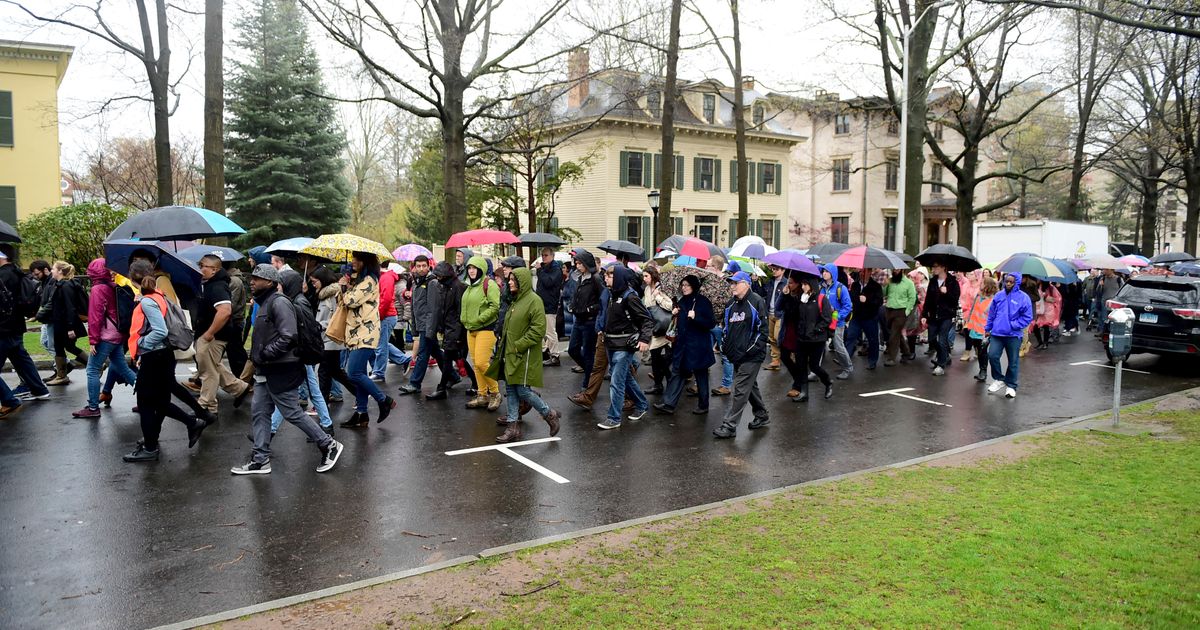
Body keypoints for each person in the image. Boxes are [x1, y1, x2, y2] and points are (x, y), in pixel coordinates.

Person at [232, 264, 344, 474]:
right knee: (259, 412)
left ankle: (328, 444)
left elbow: (288, 336)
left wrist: (266, 354)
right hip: (266, 370)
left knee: (291, 412)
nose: (252, 281)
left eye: (257, 278)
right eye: (252, 278)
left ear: (271, 282)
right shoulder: (265, 302)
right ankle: (260, 459)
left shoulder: (279, 302)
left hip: (281, 368)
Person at [122, 260, 207, 463]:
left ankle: (155, 446)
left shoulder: (148, 301)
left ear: (134, 278)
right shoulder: (157, 295)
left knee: (146, 402)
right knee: (157, 401)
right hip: (161, 356)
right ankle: (162, 436)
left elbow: (160, 330)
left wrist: (143, 344)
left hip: (155, 356)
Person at [487, 265, 561, 443]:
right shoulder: (516, 300)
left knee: (521, 390)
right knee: (511, 388)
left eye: (513, 280)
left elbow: (538, 330)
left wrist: (518, 346)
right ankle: (512, 428)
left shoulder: (534, 301)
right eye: (509, 280)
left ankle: (549, 414)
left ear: (523, 282)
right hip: (510, 353)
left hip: (524, 354)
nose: (509, 282)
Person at [268, 270, 334, 438]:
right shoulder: (296, 301)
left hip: (301, 354)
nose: (278, 287)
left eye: (281, 283)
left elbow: (303, 330)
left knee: (296, 393)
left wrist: (298, 351)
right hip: (301, 353)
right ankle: (271, 430)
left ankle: (326, 426)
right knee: (295, 393)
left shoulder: (297, 303)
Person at [72, 259, 138, 418]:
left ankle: (93, 408)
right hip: (118, 334)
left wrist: (93, 340)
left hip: (105, 336)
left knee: (92, 370)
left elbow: (95, 317)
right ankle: (149, 397)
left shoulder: (98, 289)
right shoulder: (114, 286)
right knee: (123, 368)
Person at [338, 253, 397, 427]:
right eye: (353, 259)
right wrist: (348, 284)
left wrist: (344, 287)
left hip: (365, 333)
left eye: (357, 259)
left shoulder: (369, 281)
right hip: (356, 332)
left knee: (353, 373)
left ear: (366, 262)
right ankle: (362, 414)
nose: (353, 262)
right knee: (360, 373)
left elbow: (350, 300)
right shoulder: (359, 281)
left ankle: (384, 399)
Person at [713, 271, 770, 438]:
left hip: (752, 355)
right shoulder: (730, 304)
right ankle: (762, 414)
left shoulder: (757, 301)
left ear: (745, 283)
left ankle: (729, 426)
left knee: (740, 389)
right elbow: (726, 328)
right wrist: (725, 346)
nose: (732, 286)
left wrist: (749, 350)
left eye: (735, 283)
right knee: (750, 386)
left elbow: (762, 331)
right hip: (735, 354)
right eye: (730, 283)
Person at [596, 264, 653, 430]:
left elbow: (646, 320)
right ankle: (642, 404)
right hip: (610, 343)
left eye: (609, 276)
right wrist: (601, 329)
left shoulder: (630, 297)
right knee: (624, 377)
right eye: (605, 275)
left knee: (616, 381)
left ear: (618, 278)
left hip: (624, 345)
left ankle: (614, 418)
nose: (605, 278)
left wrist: (644, 339)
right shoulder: (612, 294)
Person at [193, 254, 251, 415]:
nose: (200, 268)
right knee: (213, 366)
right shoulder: (211, 284)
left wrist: (209, 333)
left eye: (203, 265)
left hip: (213, 336)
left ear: (214, 270)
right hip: (211, 334)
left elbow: (225, 311)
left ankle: (206, 406)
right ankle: (239, 388)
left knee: (207, 371)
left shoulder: (217, 286)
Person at [653, 274, 716, 416]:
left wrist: (696, 317)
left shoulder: (703, 302)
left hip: (698, 346)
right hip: (682, 346)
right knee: (677, 372)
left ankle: (703, 405)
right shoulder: (682, 301)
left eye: (687, 285)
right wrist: (675, 314)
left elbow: (710, 323)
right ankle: (669, 404)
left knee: (700, 375)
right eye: (683, 285)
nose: (684, 287)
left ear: (694, 286)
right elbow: (679, 325)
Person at [0, 250, 49, 402]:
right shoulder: (17, 272)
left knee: (20, 357)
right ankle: (39, 389)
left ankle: (9, 401)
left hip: (3, 326)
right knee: (21, 358)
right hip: (16, 324)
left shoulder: (2, 276)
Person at [399, 255, 451, 396]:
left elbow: (433, 308)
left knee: (423, 354)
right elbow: (416, 306)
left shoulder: (431, 282)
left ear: (428, 266)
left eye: (424, 265)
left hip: (428, 325)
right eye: (418, 266)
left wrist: (429, 329)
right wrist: (415, 325)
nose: (421, 268)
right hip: (421, 324)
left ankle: (415, 383)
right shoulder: (416, 281)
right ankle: (453, 376)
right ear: (414, 267)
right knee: (436, 352)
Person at [782, 273, 835, 401]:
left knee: (814, 366)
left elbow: (827, 318)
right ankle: (804, 393)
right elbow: (792, 312)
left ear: (812, 285)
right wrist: (786, 295)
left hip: (817, 340)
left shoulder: (822, 299)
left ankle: (828, 382)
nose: (803, 286)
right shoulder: (801, 298)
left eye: (806, 284)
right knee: (801, 366)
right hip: (802, 339)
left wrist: (815, 329)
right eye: (803, 284)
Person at [309, 266, 357, 405]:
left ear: (322, 280)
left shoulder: (333, 295)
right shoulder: (321, 294)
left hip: (330, 338)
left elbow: (337, 317)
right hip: (325, 338)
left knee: (324, 373)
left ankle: (322, 405)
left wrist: (321, 325)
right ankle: (361, 393)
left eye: (314, 281)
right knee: (335, 371)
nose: (313, 284)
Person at [461, 254, 501, 411]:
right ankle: (482, 395)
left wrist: (479, 319)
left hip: (486, 329)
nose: (471, 271)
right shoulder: (469, 286)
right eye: (469, 268)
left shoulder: (489, 284)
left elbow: (495, 307)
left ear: (481, 269)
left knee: (481, 363)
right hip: (470, 329)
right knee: (476, 364)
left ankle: (495, 392)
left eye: (474, 268)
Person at [985, 272, 1034, 399]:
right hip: (997, 333)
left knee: (1013, 361)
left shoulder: (1023, 298)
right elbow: (991, 313)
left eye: (1011, 282)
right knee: (992, 355)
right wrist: (988, 328)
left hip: (1013, 335)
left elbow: (1028, 316)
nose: (1008, 283)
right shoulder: (999, 295)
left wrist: (1013, 325)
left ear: (1016, 282)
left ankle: (1011, 386)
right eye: (1007, 281)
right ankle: (999, 379)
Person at [41, 261, 89, 386]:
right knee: (63, 347)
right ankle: (61, 375)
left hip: (65, 324)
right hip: (60, 323)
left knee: (66, 347)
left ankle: (63, 375)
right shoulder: (60, 284)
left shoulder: (66, 286)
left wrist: (70, 327)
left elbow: (70, 307)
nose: (51, 271)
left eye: (53, 269)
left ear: (60, 271)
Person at [426, 262, 468, 400]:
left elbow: (459, 311)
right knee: (455, 358)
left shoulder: (457, 287)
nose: (437, 278)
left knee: (448, 358)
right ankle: (475, 383)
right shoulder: (447, 286)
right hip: (449, 327)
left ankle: (442, 388)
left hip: (454, 329)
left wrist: (458, 334)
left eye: (439, 275)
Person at [567, 249, 602, 392]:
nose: (577, 265)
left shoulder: (596, 278)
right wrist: (572, 305)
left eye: (580, 262)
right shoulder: (580, 277)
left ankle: (588, 383)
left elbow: (603, 300)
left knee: (588, 354)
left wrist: (590, 309)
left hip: (589, 321)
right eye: (576, 262)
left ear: (587, 263)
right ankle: (590, 370)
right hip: (579, 320)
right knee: (572, 350)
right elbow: (577, 295)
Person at [921, 262, 961, 376]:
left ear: (943, 267)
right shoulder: (933, 281)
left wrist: (946, 292)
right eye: (932, 267)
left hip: (946, 316)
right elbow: (928, 299)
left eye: (936, 267)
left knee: (942, 340)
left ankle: (941, 365)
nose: (933, 269)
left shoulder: (953, 282)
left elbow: (955, 300)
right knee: (932, 339)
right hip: (933, 315)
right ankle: (945, 356)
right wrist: (924, 315)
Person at [371, 260, 405, 381]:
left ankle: (379, 372)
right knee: (383, 343)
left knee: (381, 345)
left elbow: (385, 299)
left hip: (386, 315)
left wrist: (379, 315)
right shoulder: (384, 276)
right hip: (386, 315)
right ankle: (404, 360)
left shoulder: (386, 277)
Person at [642, 266, 673, 395]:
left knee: (663, 357)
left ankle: (667, 380)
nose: (644, 279)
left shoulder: (662, 288)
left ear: (653, 276)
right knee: (655, 356)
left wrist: (658, 298)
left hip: (665, 327)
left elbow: (671, 306)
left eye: (646, 276)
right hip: (655, 326)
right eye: (643, 276)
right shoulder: (647, 289)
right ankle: (660, 383)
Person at [820, 263, 854, 380]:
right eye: (823, 271)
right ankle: (816, 370)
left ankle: (847, 367)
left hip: (837, 323)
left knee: (839, 347)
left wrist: (838, 317)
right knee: (819, 346)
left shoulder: (841, 288)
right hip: (823, 322)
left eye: (826, 271)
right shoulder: (821, 287)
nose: (824, 273)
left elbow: (848, 306)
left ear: (832, 274)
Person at [845, 267, 883, 370]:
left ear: (870, 272)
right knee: (850, 337)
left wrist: (867, 300)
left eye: (865, 271)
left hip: (870, 317)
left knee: (873, 340)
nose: (862, 273)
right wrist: (857, 297)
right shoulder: (855, 285)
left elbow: (878, 302)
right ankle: (846, 360)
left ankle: (872, 361)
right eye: (861, 271)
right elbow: (852, 297)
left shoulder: (876, 286)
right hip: (857, 316)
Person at [964, 275, 997, 381]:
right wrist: (968, 323)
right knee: (978, 350)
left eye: (982, 283)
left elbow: (994, 316)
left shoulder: (993, 300)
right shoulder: (978, 296)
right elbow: (973, 310)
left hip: (984, 331)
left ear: (987, 286)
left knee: (983, 351)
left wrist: (990, 330)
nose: (980, 284)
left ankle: (983, 372)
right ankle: (981, 370)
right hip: (974, 329)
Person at [534, 247, 563, 366]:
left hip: (549, 304)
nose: (543, 257)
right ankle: (546, 351)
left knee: (550, 331)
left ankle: (555, 355)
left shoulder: (555, 269)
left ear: (552, 256)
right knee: (543, 330)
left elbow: (548, 282)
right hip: (543, 303)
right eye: (542, 255)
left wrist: (540, 270)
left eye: (546, 255)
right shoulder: (546, 268)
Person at [882, 268, 917, 366]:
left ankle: (891, 358)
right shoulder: (890, 281)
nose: (895, 271)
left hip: (901, 311)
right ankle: (906, 352)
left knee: (893, 335)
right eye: (894, 269)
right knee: (896, 333)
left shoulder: (908, 283)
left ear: (902, 270)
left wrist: (907, 311)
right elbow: (884, 294)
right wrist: (885, 285)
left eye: (897, 269)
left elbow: (912, 298)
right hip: (889, 310)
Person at [763, 265, 786, 371]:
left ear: (783, 270)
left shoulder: (786, 283)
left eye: (776, 269)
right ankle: (775, 360)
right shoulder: (770, 282)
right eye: (773, 269)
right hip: (770, 313)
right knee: (771, 337)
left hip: (780, 314)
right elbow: (762, 293)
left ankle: (788, 355)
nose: (774, 271)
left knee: (778, 337)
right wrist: (755, 281)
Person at [1033, 280, 1062, 350]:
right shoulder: (1037, 286)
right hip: (1039, 309)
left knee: (1046, 326)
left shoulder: (1051, 288)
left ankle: (1045, 343)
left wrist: (1046, 297)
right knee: (1035, 326)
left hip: (1048, 310)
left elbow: (1057, 299)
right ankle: (1040, 342)